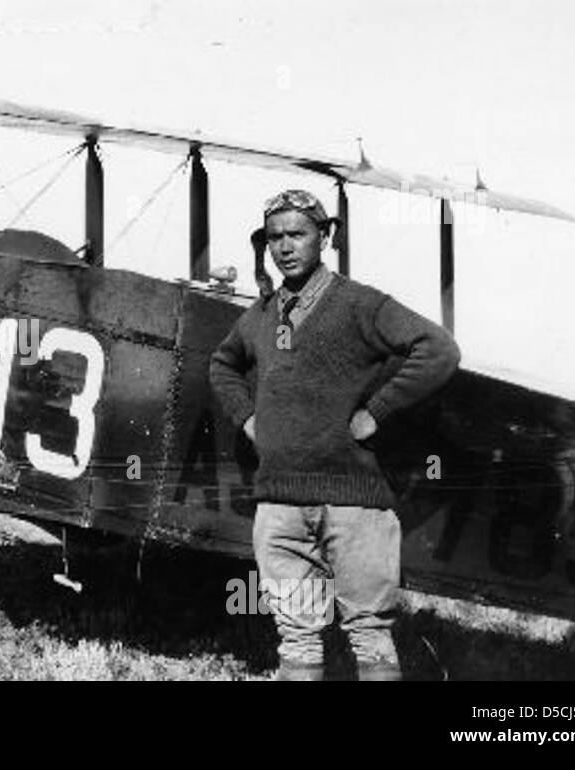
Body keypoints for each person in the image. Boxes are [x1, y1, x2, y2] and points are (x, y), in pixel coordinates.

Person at [208, 189, 460, 681]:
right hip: (280, 504)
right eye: (275, 238)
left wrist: (378, 412)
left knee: (368, 630)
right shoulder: (261, 315)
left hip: (354, 504)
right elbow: (223, 364)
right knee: (296, 634)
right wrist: (249, 419)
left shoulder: (360, 304)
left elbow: (438, 348)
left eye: (297, 234)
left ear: (325, 237)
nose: (285, 247)